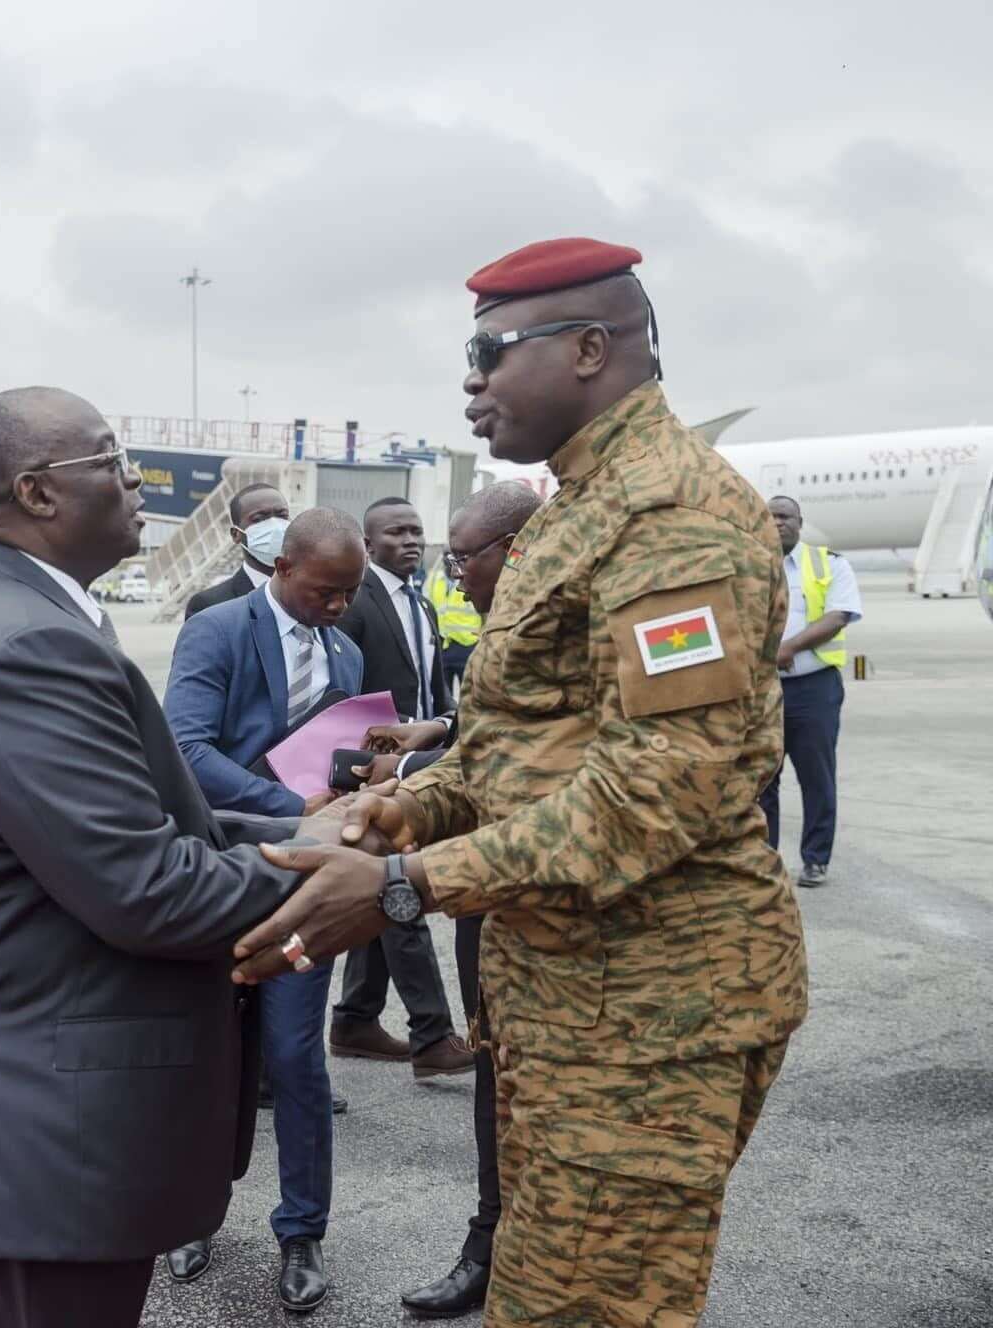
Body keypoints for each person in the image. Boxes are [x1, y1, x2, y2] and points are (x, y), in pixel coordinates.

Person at [242, 238, 808, 1328]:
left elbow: (662, 787)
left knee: (587, 1308)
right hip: (568, 991)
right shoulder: (573, 509)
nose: (469, 381)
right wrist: (401, 806)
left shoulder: (671, 514)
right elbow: (517, 747)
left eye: (487, 352)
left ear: (591, 349)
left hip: (654, 1006)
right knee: (542, 1291)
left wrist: (403, 881)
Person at [0, 386, 344, 1328]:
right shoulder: (27, 644)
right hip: (39, 1124)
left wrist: (293, 836)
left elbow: (142, 821)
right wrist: (320, 867)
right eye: (113, 461)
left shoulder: (35, 611)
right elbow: (146, 888)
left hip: (41, 1108)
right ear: (38, 492)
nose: (137, 482)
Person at [162, 508, 368, 1312]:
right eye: (325, 591)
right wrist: (292, 805)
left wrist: (367, 783)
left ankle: (302, 1231)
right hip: (221, 874)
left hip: (306, 887)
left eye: (348, 595)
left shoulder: (344, 650)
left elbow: (339, 761)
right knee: (208, 1053)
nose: (337, 609)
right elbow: (187, 750)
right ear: (282, 568)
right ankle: (188, 1214)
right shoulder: (218, 630)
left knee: (293, 1057)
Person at [361, 482, 543, 1321]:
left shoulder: (584, 622)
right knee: (492, 1073)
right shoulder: (502, 629)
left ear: (517, 547)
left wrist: (410, 877)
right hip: (489, 899)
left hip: (561, 910)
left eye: (463, 557)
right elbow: (483, 750)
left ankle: (540, 1255)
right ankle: (489, 1241)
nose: (452, 574)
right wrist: (413, 774)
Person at [331, 497, 467, 1079]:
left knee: (383, 888)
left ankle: (355, 1018)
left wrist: (441, 736)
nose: (410, 541)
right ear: (368, 545)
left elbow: (433, 692)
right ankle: (432, 1034)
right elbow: (337, 691)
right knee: (397, 890)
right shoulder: (355, 603)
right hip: (370, 772)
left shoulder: (424, 606)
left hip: (420, 771)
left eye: (416, 531)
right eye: (395, 532)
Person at [761, 495, 860, 888]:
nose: (777, 523)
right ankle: (765, 859)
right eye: (769, 517)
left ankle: (816, 859)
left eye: (785, 516)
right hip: (762, 691)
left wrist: (789, 648)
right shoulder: (747, 564)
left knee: (816, 777)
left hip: (813, 689)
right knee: (762, 778)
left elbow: (837, 616)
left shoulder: (829, 564)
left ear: (800, 522)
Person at [184, 483, 290, 619]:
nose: (276, 526)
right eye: (259, 519)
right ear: (236, 534)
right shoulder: (208, 605)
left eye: (282, 516)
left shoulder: (310, 595)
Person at [425, 554, 482, 689]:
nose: (448, 558)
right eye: (446, 554)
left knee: (470, 693)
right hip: (442, 646)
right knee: (443, 697)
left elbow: (486, 612)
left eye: (452, 554)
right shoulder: (434, 579)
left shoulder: (471, 579)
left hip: (467, 646)